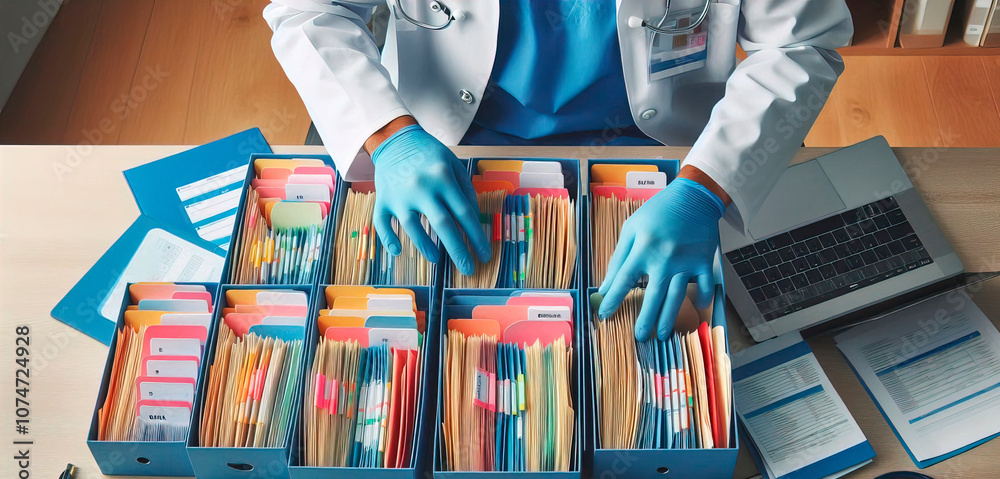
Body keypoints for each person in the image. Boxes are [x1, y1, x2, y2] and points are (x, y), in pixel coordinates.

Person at [264, 0, 853, 340]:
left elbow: (801, 45)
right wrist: (390, 137)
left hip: (660, 158)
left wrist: (707, 187)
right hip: (449, 145)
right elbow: (308, 12)